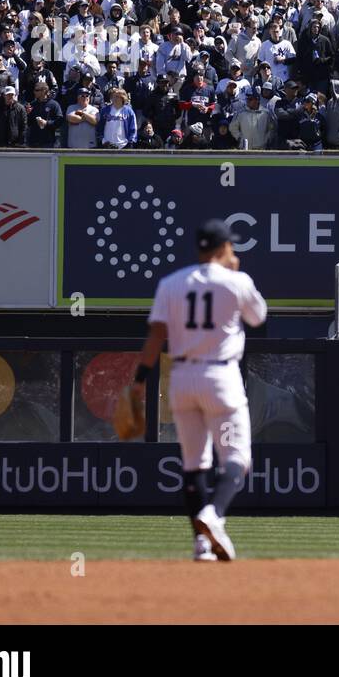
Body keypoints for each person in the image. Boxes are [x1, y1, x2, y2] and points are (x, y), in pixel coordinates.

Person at [133, 219, 268, 561]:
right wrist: (236, 273)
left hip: (181, 378)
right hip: (220, 378)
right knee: (237, 456)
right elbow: (258, 318)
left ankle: (201, 544)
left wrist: (138, 380)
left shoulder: (171, 283)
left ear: (198, 248)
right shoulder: (236, 281)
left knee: (194, 464)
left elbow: (155, 338)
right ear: (225, 248)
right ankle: (213, 514)